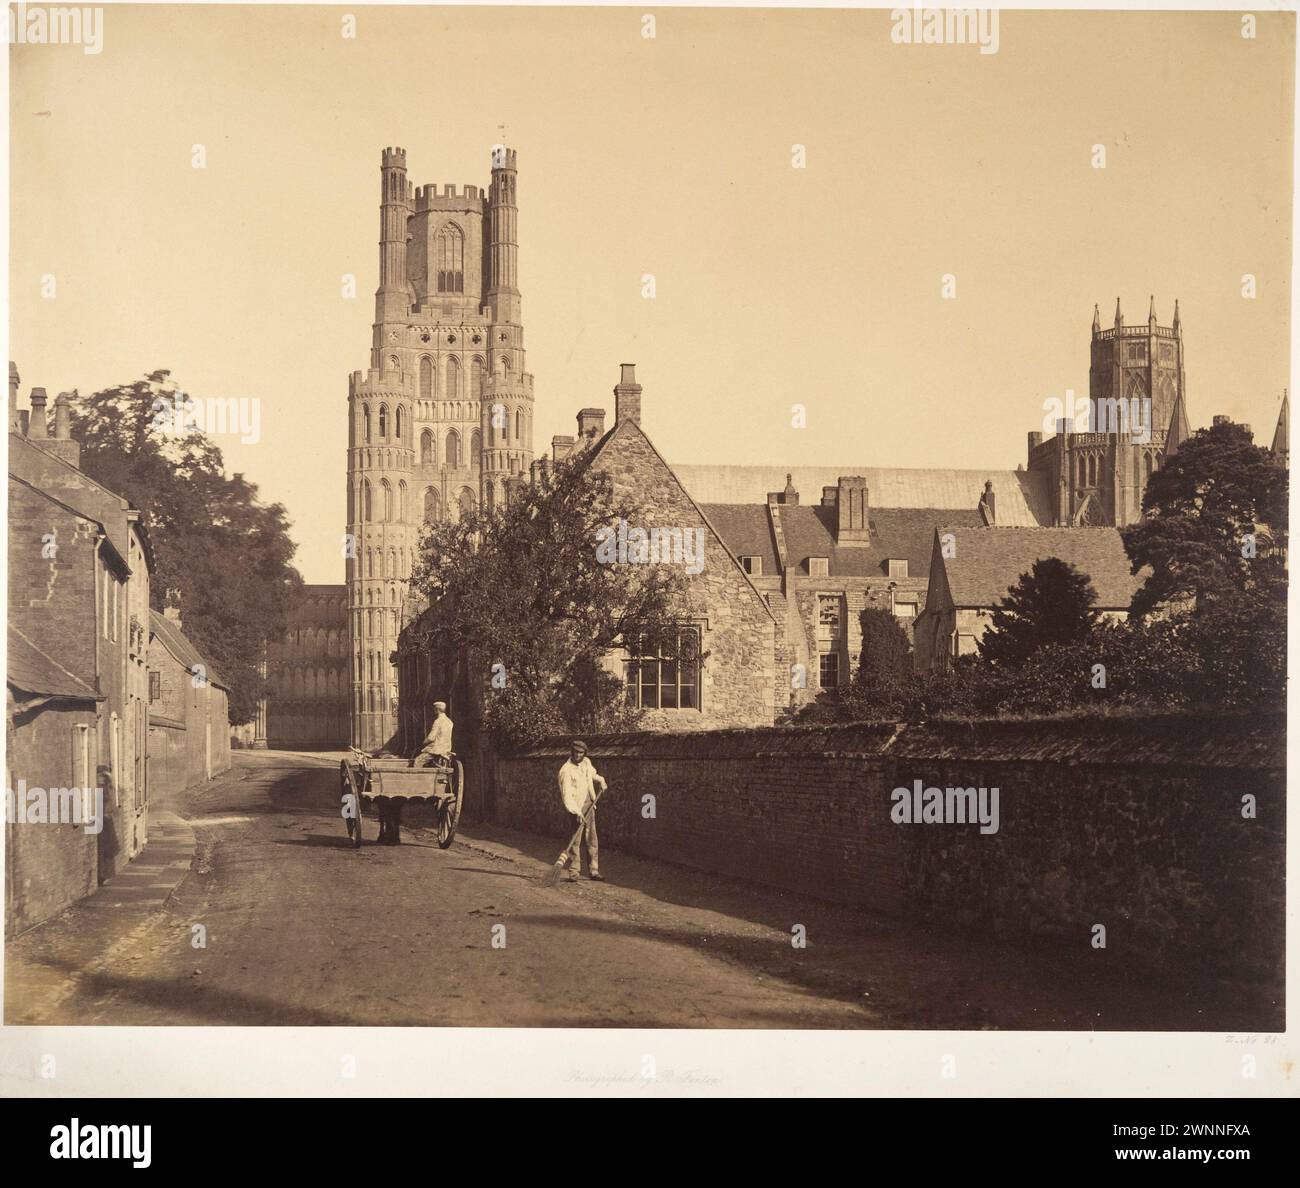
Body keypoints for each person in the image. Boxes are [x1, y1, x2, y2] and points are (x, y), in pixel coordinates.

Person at [556, 739, 606, 882]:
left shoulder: (586, 762)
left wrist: (601, 780)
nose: (578, 755)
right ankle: (574, 872)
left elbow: (592, 774)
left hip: (590, 804)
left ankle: (594, 870)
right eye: (576, 752)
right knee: (575, 840)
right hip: (576, 808)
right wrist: (576, 812)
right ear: (571, 752)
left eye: (581, 752)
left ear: (584, 753)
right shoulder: (566, 770)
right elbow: (567, 796)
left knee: (592, 838)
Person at [416, 701, 454, 768]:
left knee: (417, 761)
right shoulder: (449, 722)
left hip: (436, 749)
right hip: (446, 749)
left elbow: (431, 738)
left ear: (437, 710)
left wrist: (424, 742)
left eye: (434, 709)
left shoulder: (438, 721)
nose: (434, 710)